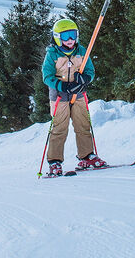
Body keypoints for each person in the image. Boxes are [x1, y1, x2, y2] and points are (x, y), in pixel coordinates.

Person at [41, 18, 106, 176]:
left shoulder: (82, 51)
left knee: (83, 125)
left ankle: (87, 156)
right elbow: (46, 76)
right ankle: (55, 162)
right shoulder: (52, 54)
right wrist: (61, 86)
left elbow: (90, 71)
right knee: (59, 128)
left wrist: (85, 79)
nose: (70, 40)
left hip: (78, 94)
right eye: (65, 36)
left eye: (73, 35)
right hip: (60, 96)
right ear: (57, 37)